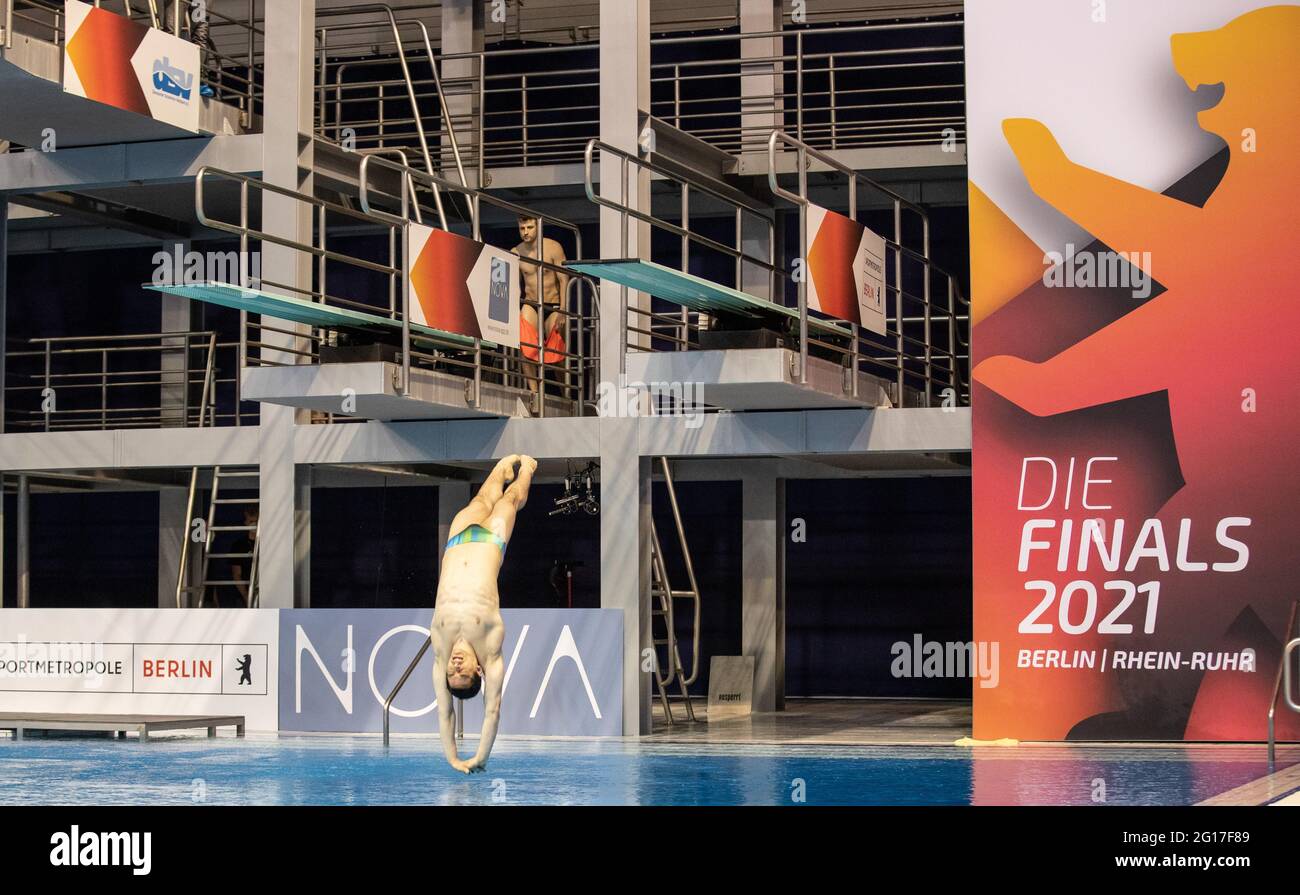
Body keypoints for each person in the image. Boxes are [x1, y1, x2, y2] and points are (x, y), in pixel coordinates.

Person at [432, 454, 537, 773]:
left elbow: (444, 712)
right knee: (511, 497)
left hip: (457, 542)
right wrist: (479, 757)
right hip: (491, 541)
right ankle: (528, 469)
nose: (455, 667)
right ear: (478, 672)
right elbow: (492, 710)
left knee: (482, 497)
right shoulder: (490, 649)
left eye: (452, 674)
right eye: (462, 674)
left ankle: (502, 468)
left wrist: (450, 757)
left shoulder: (441, 648)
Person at [512, 216, 569, 393]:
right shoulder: (516, 252)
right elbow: (515, 286)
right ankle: (535, 393)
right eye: (522, 228)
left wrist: (564, 311)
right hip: (531, 303)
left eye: (529, 227)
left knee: (558, 355)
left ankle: (565, 393)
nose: (526, 232)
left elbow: (563, 279)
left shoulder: (553, 247)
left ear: (538, 227)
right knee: (526, 350)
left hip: (553, 304)